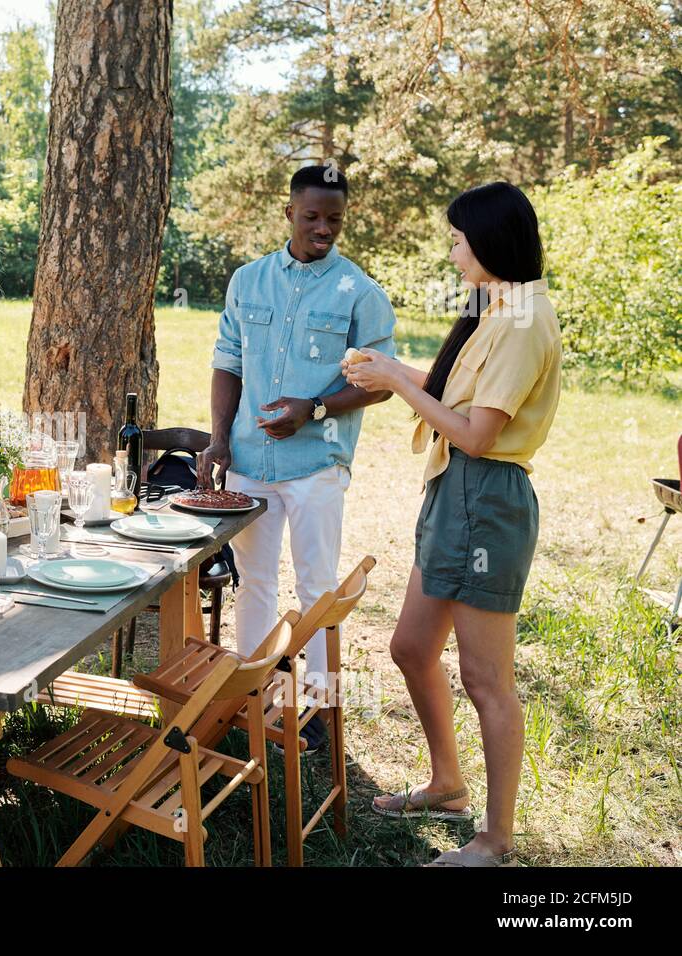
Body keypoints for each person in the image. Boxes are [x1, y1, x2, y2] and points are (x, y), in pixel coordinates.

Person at [345, 182, 559, 867]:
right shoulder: (497, 307)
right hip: (452, 492)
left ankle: (495, 840)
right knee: (411, 647)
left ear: (492, 241)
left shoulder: (526, 322)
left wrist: (400, 385)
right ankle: (447, 784)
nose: (452, 249)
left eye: (459, 238)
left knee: (487, 679)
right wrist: (390, 372)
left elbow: (474, 434)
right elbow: (454, 399)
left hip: (487, 499)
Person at [198, 165, 396, 752]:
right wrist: (219, 440)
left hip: (317, 465)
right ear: (289, 213)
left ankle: (317, 711)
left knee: (316, 589)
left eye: (334, 219)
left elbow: (381, 383)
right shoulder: (247, 281)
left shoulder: (361, 292)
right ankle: (252, 698)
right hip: (250, 462)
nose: (323, 229)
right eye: (311, 217)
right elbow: (227, 360)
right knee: (254, 582)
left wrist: (311, 409)